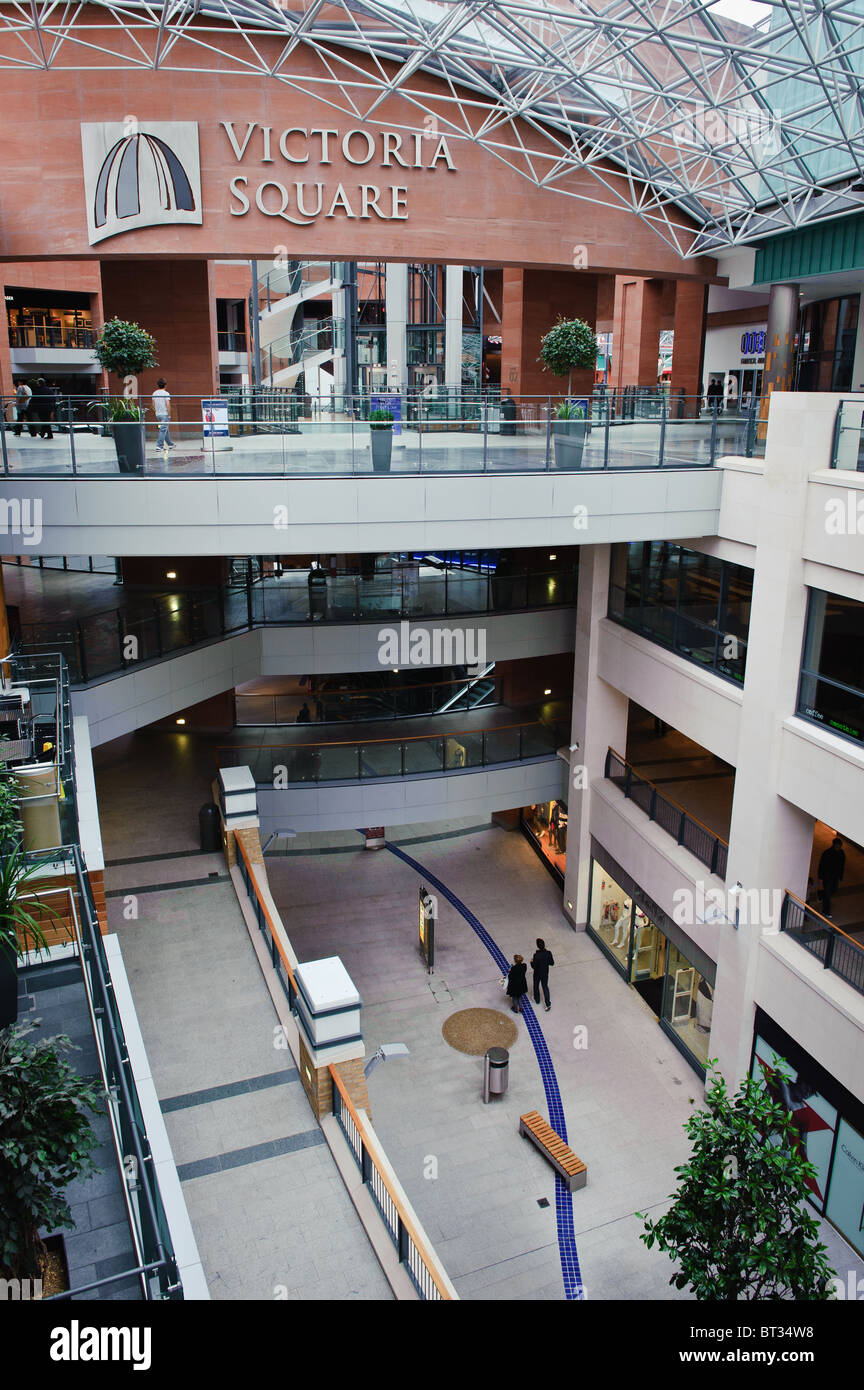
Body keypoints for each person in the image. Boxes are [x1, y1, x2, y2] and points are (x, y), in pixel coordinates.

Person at [818, 836, 845, 918]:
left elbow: (842, 865)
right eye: (837, 846)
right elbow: (821, 865)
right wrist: (821, 877)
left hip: (835, 877)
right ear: (834, 845)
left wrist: (841, 876)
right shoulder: (827, 853)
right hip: (827, 877)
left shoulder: (841, 853)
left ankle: (821, 894)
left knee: (834, 890)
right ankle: (826, 911)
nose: (838, 847)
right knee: (828, 894)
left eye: (839, 846)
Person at [531, 937, 555, 1011]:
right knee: (545, 987)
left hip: (537, 973)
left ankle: (537, 999)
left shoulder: (536, 955)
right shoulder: (548, 953)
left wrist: (531, 961)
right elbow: (552, 963)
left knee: (536, 985)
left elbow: (533, 966)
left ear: (538, 946)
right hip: (545, 973)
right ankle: (548, 1004)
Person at [152, 378, 174, 450]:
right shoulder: (166, 393)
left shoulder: (154, 393)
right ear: (165, 385)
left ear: (157, 385)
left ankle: (170, 444)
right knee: (163, 429)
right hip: (165, 414)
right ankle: (159, 446)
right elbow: (168, 404)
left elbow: (152, 405)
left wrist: (156, 411)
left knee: (165, 429)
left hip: (158, 414)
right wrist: (169, 414)